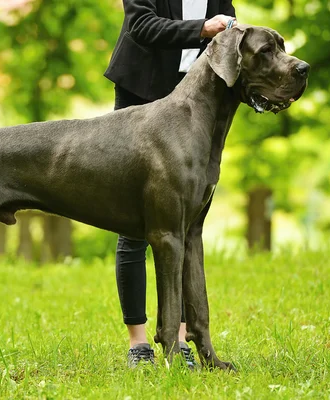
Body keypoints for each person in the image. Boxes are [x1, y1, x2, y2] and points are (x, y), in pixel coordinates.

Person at [104, 0, 237, 368]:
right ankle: (138, 344)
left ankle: (178, 340)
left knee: (183, 224)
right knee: (134, 228)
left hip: (192, 96)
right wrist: (205, 28)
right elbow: (141, 25)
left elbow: (230, 36)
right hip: (141, 91)